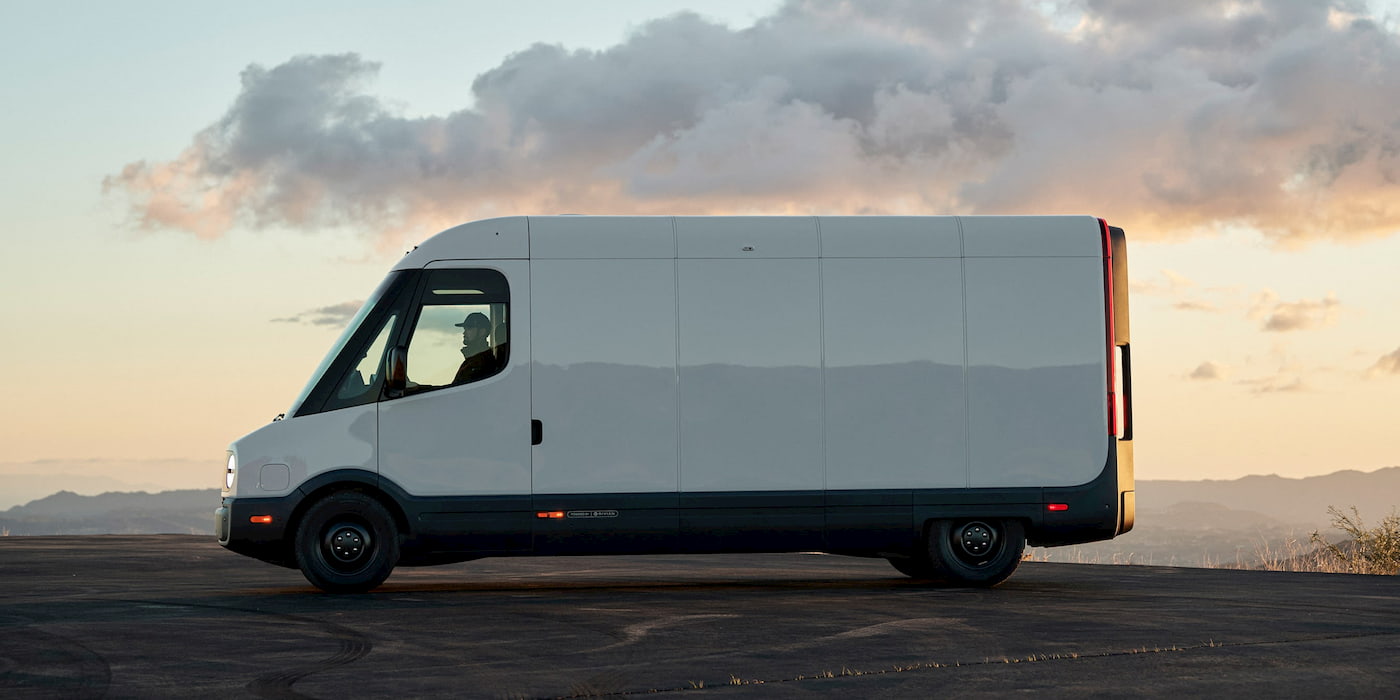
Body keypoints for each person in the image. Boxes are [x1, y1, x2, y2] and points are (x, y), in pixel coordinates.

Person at [453, 312, 498, 384]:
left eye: (469, 328)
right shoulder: (474, 358)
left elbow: (458, 389)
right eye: (465, 329)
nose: (464, 333)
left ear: (482, 332)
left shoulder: (480, 361)